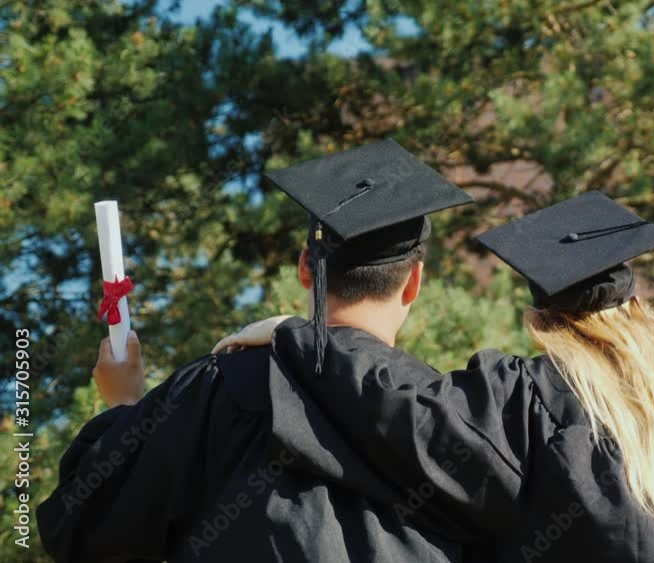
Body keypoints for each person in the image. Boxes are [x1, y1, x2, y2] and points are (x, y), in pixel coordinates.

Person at [227, 192, 654, 562]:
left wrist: (295, 331)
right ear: (640, 297)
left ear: (544, 316)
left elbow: (391, 401)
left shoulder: (523, 401)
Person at [36, 139, 483, 562]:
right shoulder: (461, 423)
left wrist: (126, 410)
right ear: (415, 281)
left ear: (306, 267)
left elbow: (82, 526)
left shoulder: (219, 390)